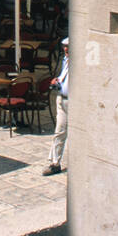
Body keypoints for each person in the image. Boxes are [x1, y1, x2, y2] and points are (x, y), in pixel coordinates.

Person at [43, 38, 69, 176]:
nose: (66, 49)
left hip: (74, 101)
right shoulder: (65, 61)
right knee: (59, 131)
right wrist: (57, 80)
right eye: (64, 46)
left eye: (68, 47)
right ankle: (55, 163)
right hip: (62, 99)